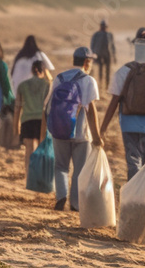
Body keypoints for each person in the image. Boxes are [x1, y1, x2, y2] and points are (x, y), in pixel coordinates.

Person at [100, 37, 145, 180]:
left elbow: (114, 102)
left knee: (133, 162)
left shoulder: (123, 71)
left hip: (128, 125)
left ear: (136, 50)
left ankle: (133, 196)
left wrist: (103, 128)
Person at [42, 47, 104, 212]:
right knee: (79, 170)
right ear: (86, 62)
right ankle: (75, 204)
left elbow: (48, 106)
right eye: (90, 61)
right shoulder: (88, 80)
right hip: (81, 134)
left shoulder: (60, 78)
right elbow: (91, 111)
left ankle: (61, 196)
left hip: (59, 130)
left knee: (60, 166)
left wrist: (48, 129)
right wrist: (97, 136)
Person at [14, 61, 51, 172]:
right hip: (42, 120)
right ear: (43, 70)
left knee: (29, 149)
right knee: (41, 148)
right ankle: (39, 174)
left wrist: (16, 127)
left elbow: (17, 108)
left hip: (27, 120)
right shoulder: (47, 84)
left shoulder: (23, 85)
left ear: (31, 70)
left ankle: (29, 176)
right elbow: (50, 105)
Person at [90, 20, 116, 90]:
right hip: (99, 55)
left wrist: (114, 56)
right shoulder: (96, 34)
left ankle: (107, 86)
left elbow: (112, 45)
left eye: (105, 26)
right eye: (102, 26)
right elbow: (92, 45)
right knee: (100, 70)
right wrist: (93, 54)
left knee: (108, 71)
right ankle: (100, 85)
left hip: (108, 55)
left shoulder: (109, 34)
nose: (104, 27)